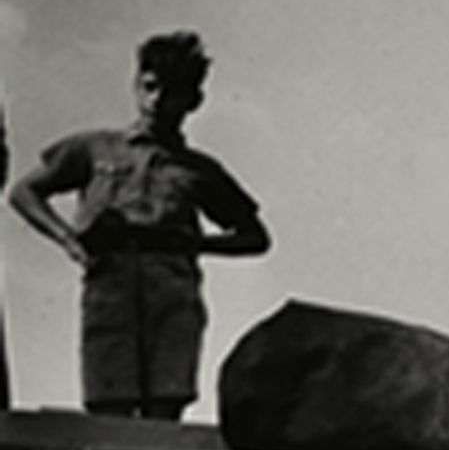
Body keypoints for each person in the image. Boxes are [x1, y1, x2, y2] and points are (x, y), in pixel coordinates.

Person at [8, 30, 270, 419]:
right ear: (136, 86)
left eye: (173, 91)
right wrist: (67, 239)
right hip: (110, 285)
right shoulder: (95, 148)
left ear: (194, 100)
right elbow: (24, 192)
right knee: (108, 408)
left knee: (164, 413)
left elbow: (255, 237)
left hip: (171, 291)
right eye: (149, 87)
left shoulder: (200, 170)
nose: (157, 100)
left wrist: (197, 246)